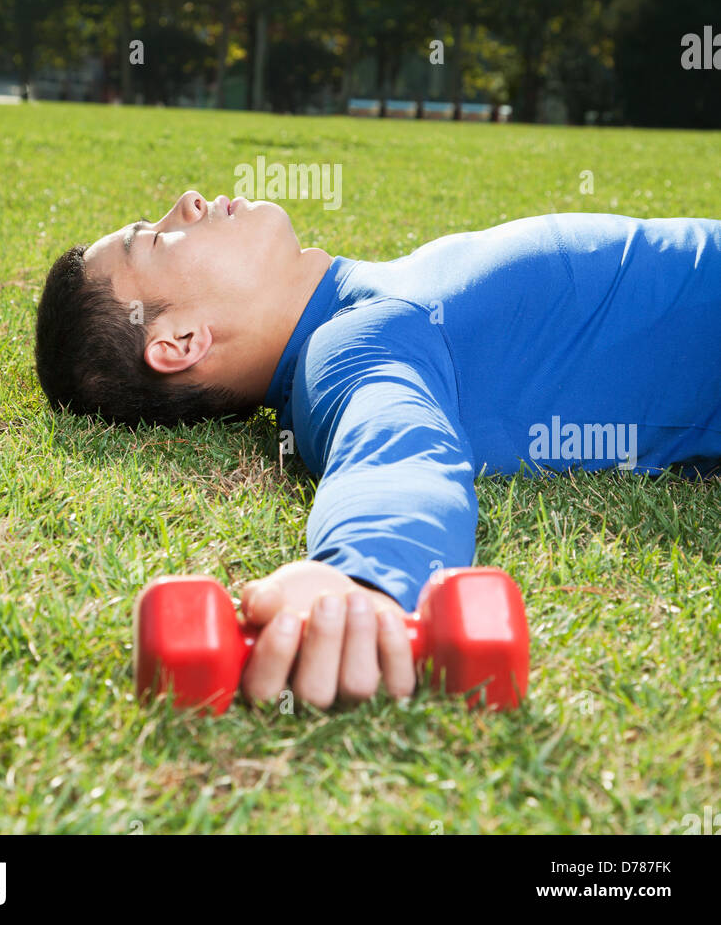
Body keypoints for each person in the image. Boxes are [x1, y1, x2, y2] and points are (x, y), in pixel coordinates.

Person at [35, 190, 721, 710]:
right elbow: (394, 447)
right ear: (181, 343)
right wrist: (359, 576)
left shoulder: (358, 302)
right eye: (154, 240)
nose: (184, 204)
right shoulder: (350, 346)